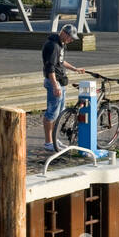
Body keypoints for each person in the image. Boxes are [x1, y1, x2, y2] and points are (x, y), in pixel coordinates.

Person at [42, 24, 84, 152]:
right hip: (54, 82)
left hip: (60, 82)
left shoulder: (61, 44)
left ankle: (53, 140)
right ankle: (48, 142)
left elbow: (61, 61)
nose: (71, 40)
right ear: (64, 33)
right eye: (70, 37)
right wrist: (55, 85)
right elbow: (50, 67)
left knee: (59, 113)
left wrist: (74, 69)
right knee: (51, 113)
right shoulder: (53, 45)